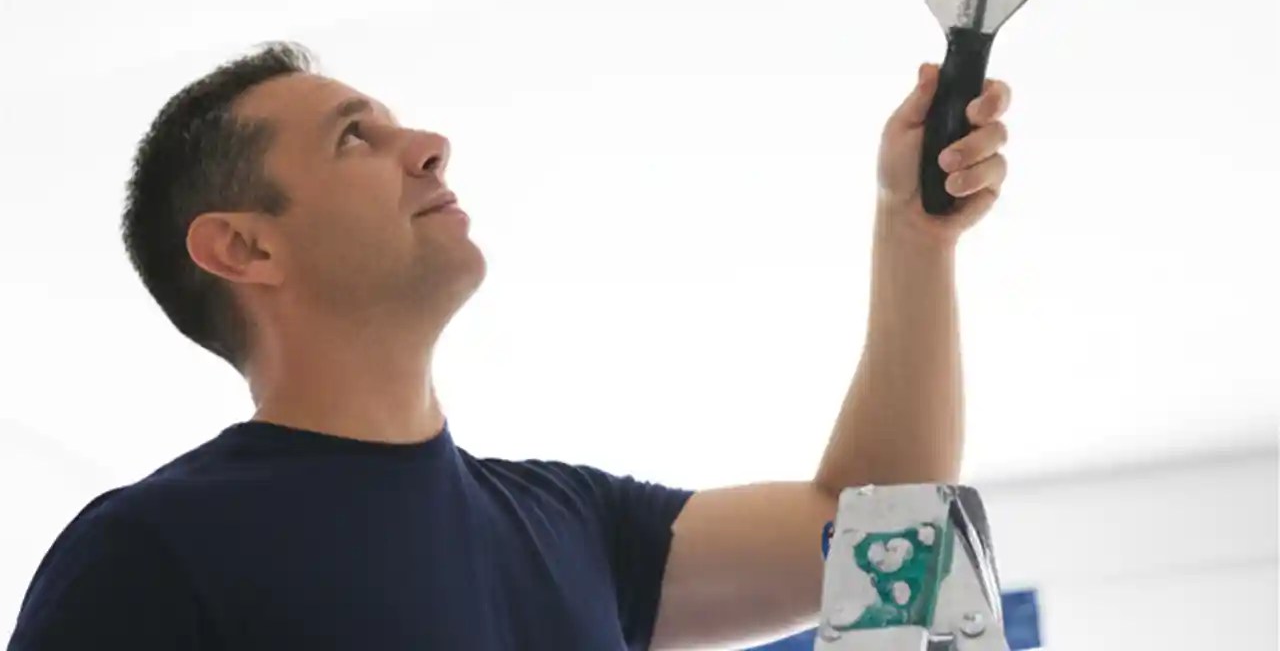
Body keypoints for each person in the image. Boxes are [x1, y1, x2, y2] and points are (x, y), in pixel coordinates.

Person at [6, 42, 1011, 651]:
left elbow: (883, 529)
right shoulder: (151, 550)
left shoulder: (571, 524)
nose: (427, 146)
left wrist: (911, 234)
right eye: (354, 138)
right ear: (244, 245)